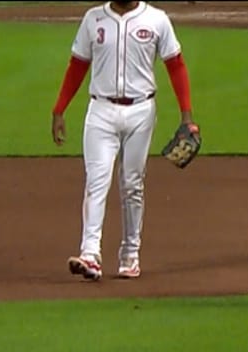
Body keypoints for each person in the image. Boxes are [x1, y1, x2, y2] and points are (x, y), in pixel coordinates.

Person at [51, 2, 195, 282]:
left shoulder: (156, 20)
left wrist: (186, 115)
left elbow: (175, 65)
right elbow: (77, 65)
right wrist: (60, 108)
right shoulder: (93, 19)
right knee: (96, 181)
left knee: (132, 184)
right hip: (100, 111)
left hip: (141, 111)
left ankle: (130, 254)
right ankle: (90, 254)